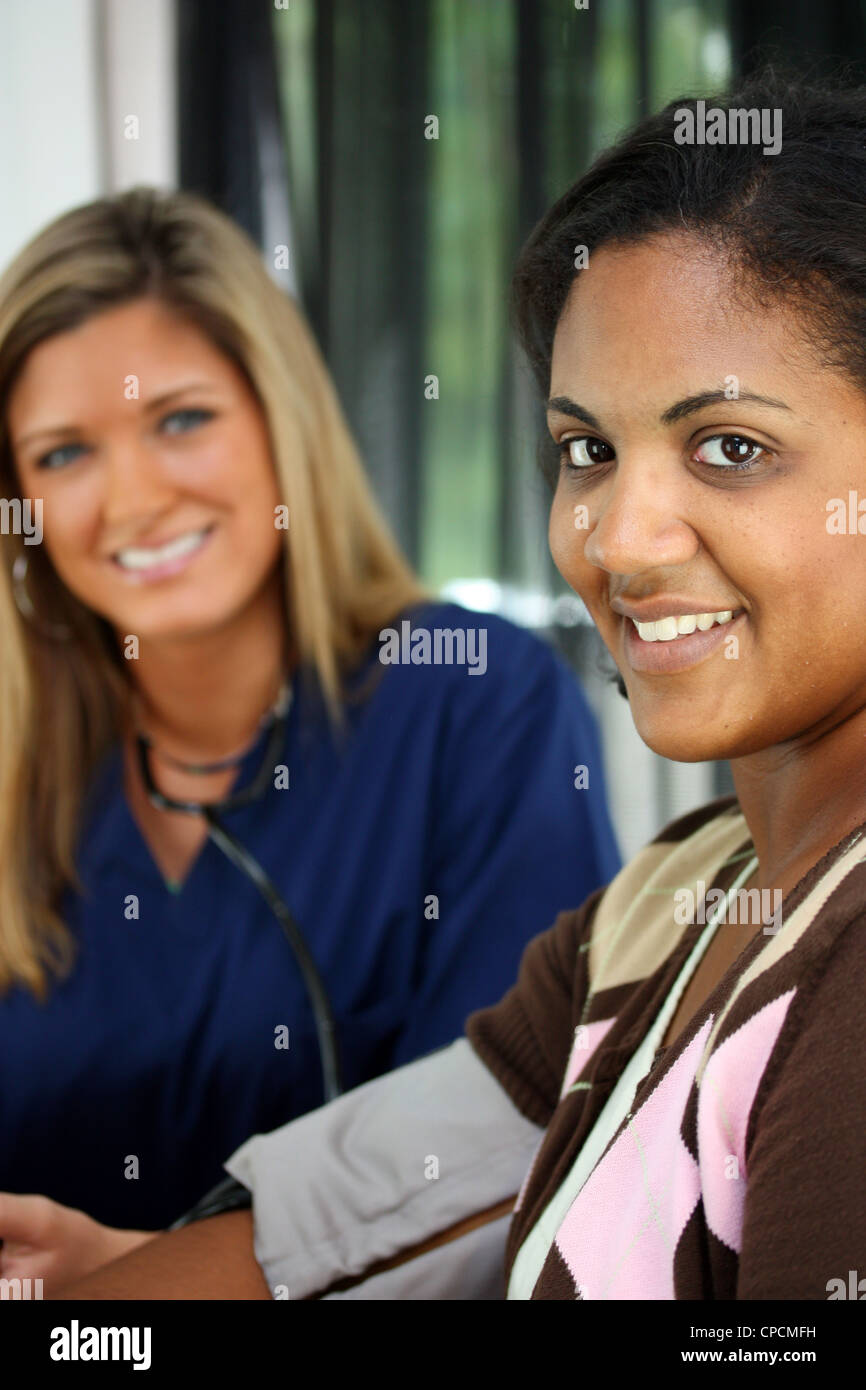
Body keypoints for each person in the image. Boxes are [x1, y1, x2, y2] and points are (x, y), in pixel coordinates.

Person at [29, 64, 866, 1304]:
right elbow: (369, 1206)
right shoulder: (668, 901)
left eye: (729, 448)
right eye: (584, 449)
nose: (615, 537)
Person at [0, 187, 621, 1272]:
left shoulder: (475, 701)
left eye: (180, 419)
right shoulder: (20, 760)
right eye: (62, 455)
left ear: (281, 420)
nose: (133, 497)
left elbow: (518, 1163)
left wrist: (157, 1276)